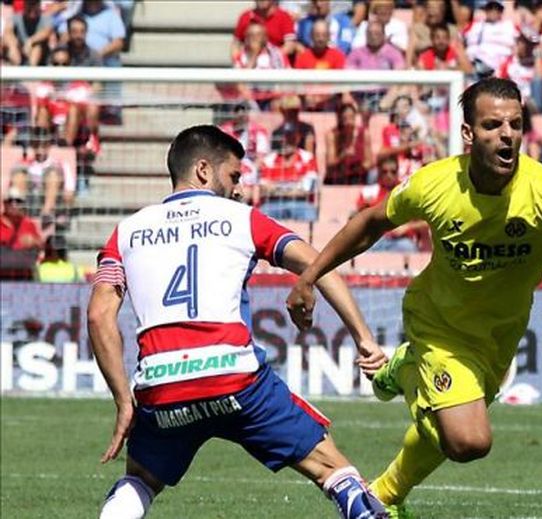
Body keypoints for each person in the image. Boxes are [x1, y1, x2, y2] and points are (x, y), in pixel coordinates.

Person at [285, 78, 542, 518]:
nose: (507, 135)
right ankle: (408, 371)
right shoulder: (435, 184)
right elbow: (370, 223)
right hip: (439, 326)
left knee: (454, 427)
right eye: (492, 124)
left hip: (499, 337)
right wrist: (310, 276)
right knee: (469, 440)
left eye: (515, 124)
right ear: (468, 134)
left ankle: (385, 493)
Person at [88, 125, 388, 519]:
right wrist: (363, 337)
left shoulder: (125, 232)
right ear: (202, 170)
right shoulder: (243, 218)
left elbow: (98, 314)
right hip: (234, 377)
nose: (238, 189)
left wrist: (123, 399)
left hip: (161, 385)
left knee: (139, 481)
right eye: (233, 176)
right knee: (333, 470)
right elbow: (322, 264)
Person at [258, 124, 319, 221]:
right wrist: (295, 187)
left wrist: (276, 187)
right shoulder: (269, 160)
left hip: (300, 203)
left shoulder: (308, 158)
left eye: (291, 137)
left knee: (309, 213)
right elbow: (264, 189)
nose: (287, 141)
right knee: (261, 216)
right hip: (273, 204)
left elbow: (307, 190)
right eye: (284, 137)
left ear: (297, 138)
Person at [324, 102, 373, 185]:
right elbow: (330, 162)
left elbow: (369, 161)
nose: (348, 122)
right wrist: (342, 156)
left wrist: (358, 168)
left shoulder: (364, 134)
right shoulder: (332, 135)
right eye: (345, 118)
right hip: (338, 174)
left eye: (351, 117)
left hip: (357, 174)